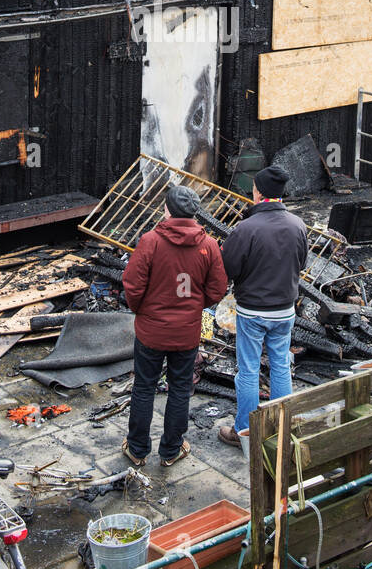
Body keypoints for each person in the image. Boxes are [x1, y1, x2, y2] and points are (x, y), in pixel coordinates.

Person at [122, 183, 228, 467]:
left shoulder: (151, 241)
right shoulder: (208, 245)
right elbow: (218, 288)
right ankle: (170, 451)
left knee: (144, 387)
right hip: (186, 333)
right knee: (180, 389)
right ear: (194, 212)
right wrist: (194, 306)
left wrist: (142, 311)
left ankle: (137, 450)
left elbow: (132, 285)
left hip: (151, 333)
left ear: (167, 209)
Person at [218, 164, 308, 451]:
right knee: (281, 365)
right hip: (285, 310)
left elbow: (227, 268)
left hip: (252, 311)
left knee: (248, 370)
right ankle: (283, 426)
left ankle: (244, 430)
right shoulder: (299, 226)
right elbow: (301, 264)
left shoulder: (245, 229)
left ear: (258, 192)